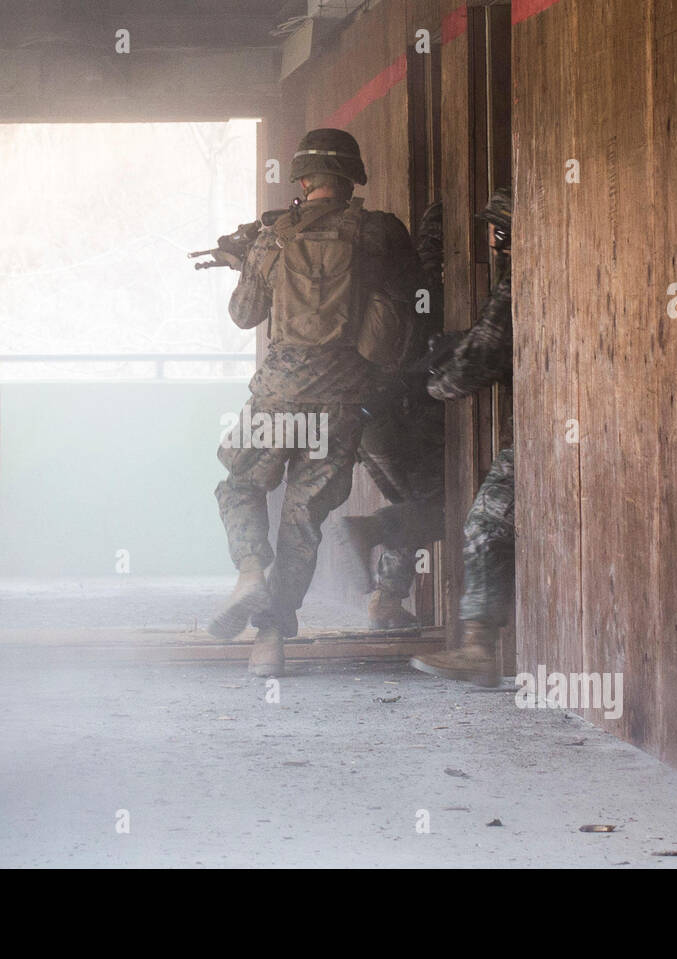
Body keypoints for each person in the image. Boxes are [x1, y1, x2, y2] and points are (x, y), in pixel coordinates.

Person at [209, 128, 422, 676]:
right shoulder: (380, 233)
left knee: (241, 485)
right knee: (302, 519)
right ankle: (271, 639)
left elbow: (244, 314)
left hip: (278, 399)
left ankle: (250, 571)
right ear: (352, 178)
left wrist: (250, 260)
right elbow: (406, 297)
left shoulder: (273, 237)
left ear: (302, 180)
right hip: (342, 403)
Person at [410, 187, 515, 686]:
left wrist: (434, 381)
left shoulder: (519, 279)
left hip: (545, 437)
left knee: (484, 525)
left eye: (497, 228)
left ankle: (479, 649)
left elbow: (484, 354)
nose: (492, 238)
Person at [342, 201, 446, 629]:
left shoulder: (358, 289)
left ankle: (385, 603)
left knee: (415, 507)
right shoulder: (419, 291)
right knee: (440, 509)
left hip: (361, 422)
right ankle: (369, 533)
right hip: (398, 419)